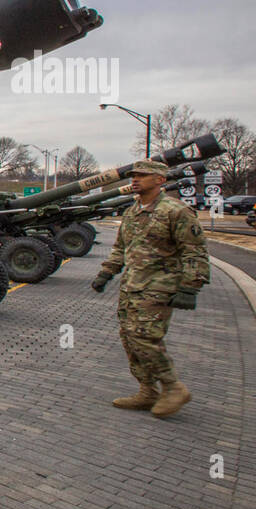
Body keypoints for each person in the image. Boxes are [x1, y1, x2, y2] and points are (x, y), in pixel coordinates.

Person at [91, 159, 210, 418]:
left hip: (160, 286)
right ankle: (147, 391)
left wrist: (191, 287)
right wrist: (107, 272)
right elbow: (121, 248)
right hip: (133, 285)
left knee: (144, 337)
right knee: (129, 338)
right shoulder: (133, 212)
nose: (135, 180)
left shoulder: (175, 211)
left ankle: (173, 387)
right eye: (134, 176)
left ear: (160, 180)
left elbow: (195, 251)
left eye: (143, 176)